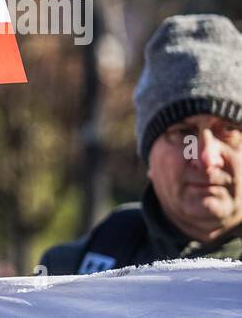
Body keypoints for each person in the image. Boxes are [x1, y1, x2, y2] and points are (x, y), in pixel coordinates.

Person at [40, 14, 242, 274]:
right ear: (148, 156)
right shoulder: (68, 275)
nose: (205, 157)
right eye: (182, 132)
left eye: (228, 130)